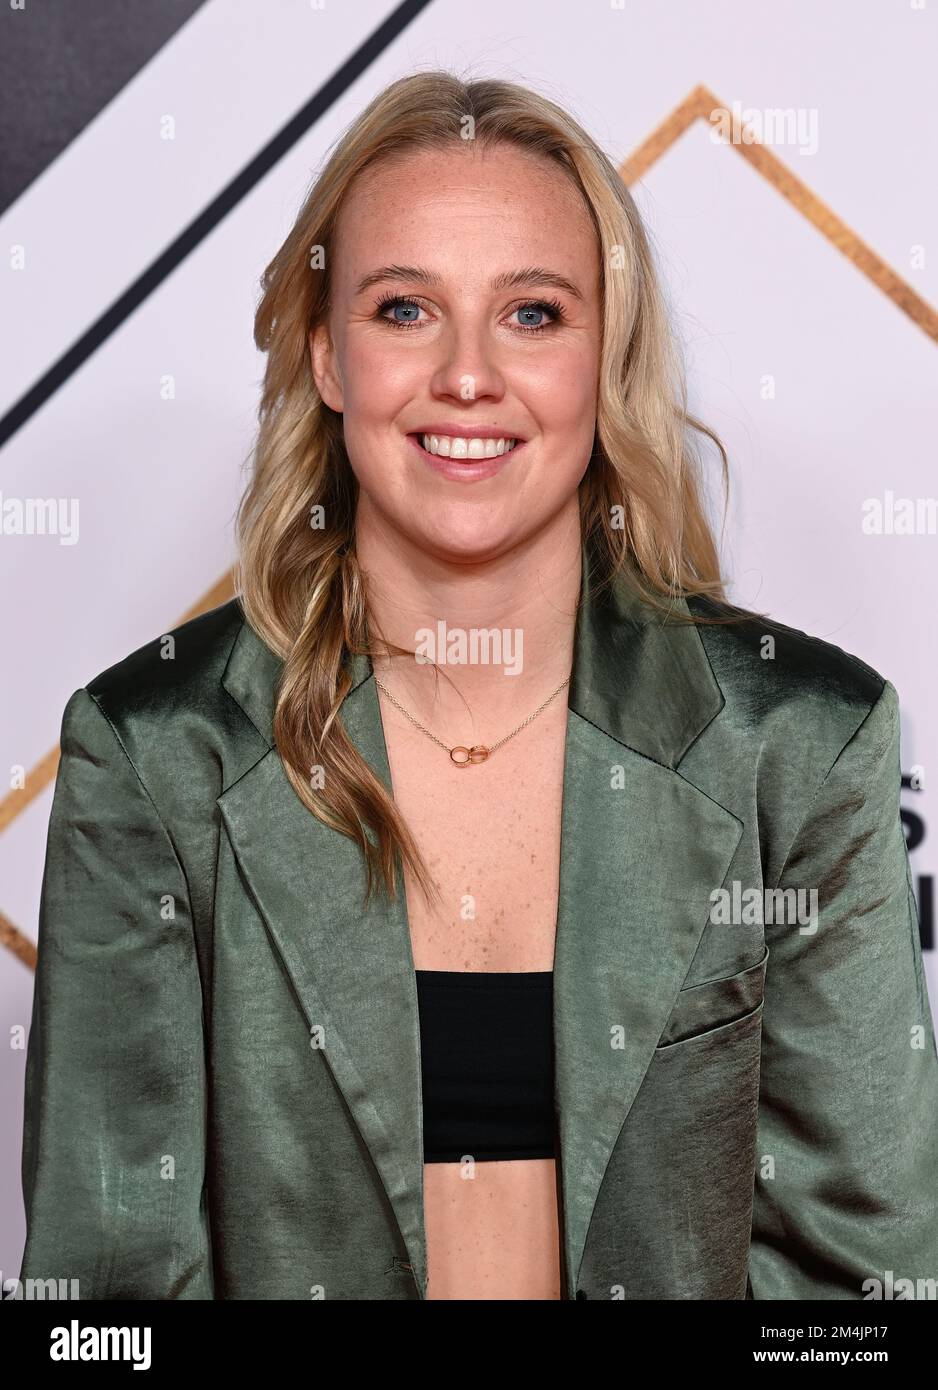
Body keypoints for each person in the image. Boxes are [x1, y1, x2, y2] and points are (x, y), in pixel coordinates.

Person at [19, 70, 938, 1301]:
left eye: (532, 313)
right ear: (326, 355)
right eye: (403, 309)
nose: (465, 375)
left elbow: (864, 1295)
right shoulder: (152, 758)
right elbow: (105, 1313)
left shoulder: (801, 747)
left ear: (600, 357)